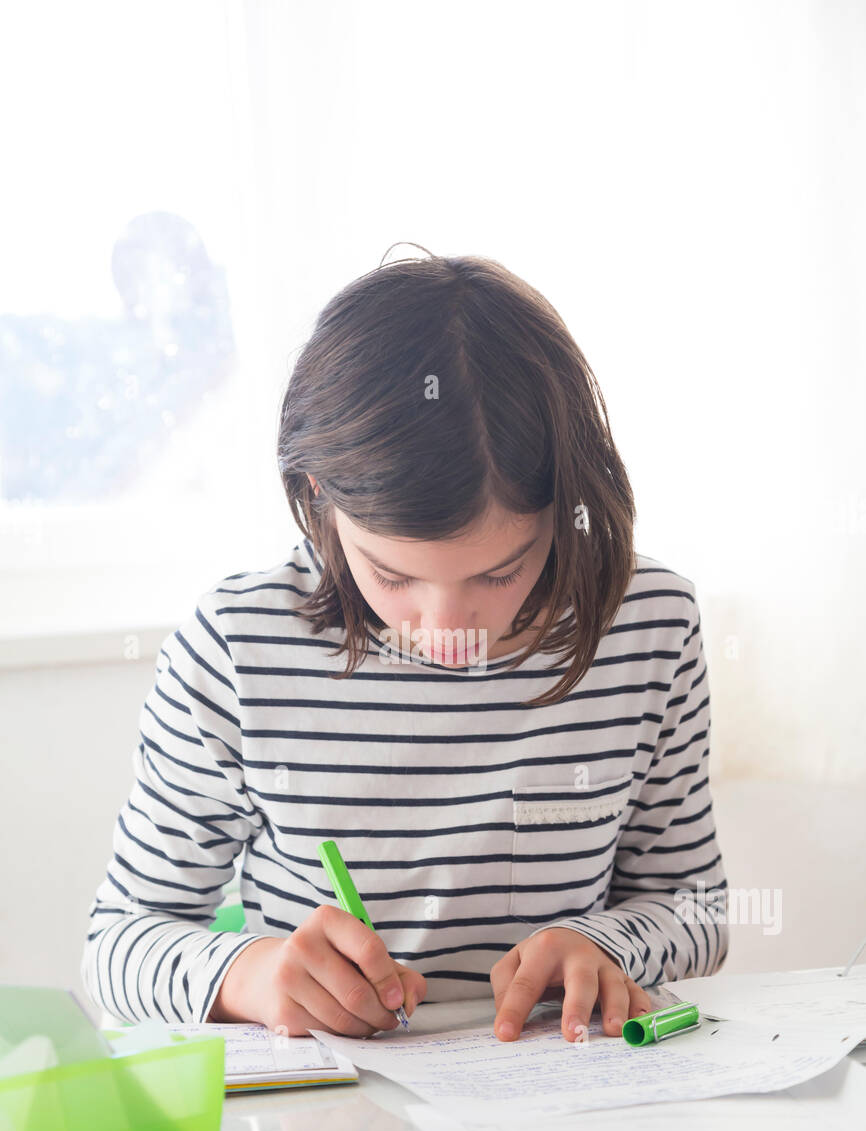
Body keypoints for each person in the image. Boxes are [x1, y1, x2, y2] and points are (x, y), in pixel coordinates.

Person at [82, 249, 728, 1043]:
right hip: (327, 1114)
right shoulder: (238, 647)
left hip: (573, 1097)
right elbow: (117, 939)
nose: (449, 627)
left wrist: (602, 943)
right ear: (318, 493)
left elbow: (698, 907)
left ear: (566, 506)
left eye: (499, 573)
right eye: (393, 575)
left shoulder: (648, 624)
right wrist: (250, 975)